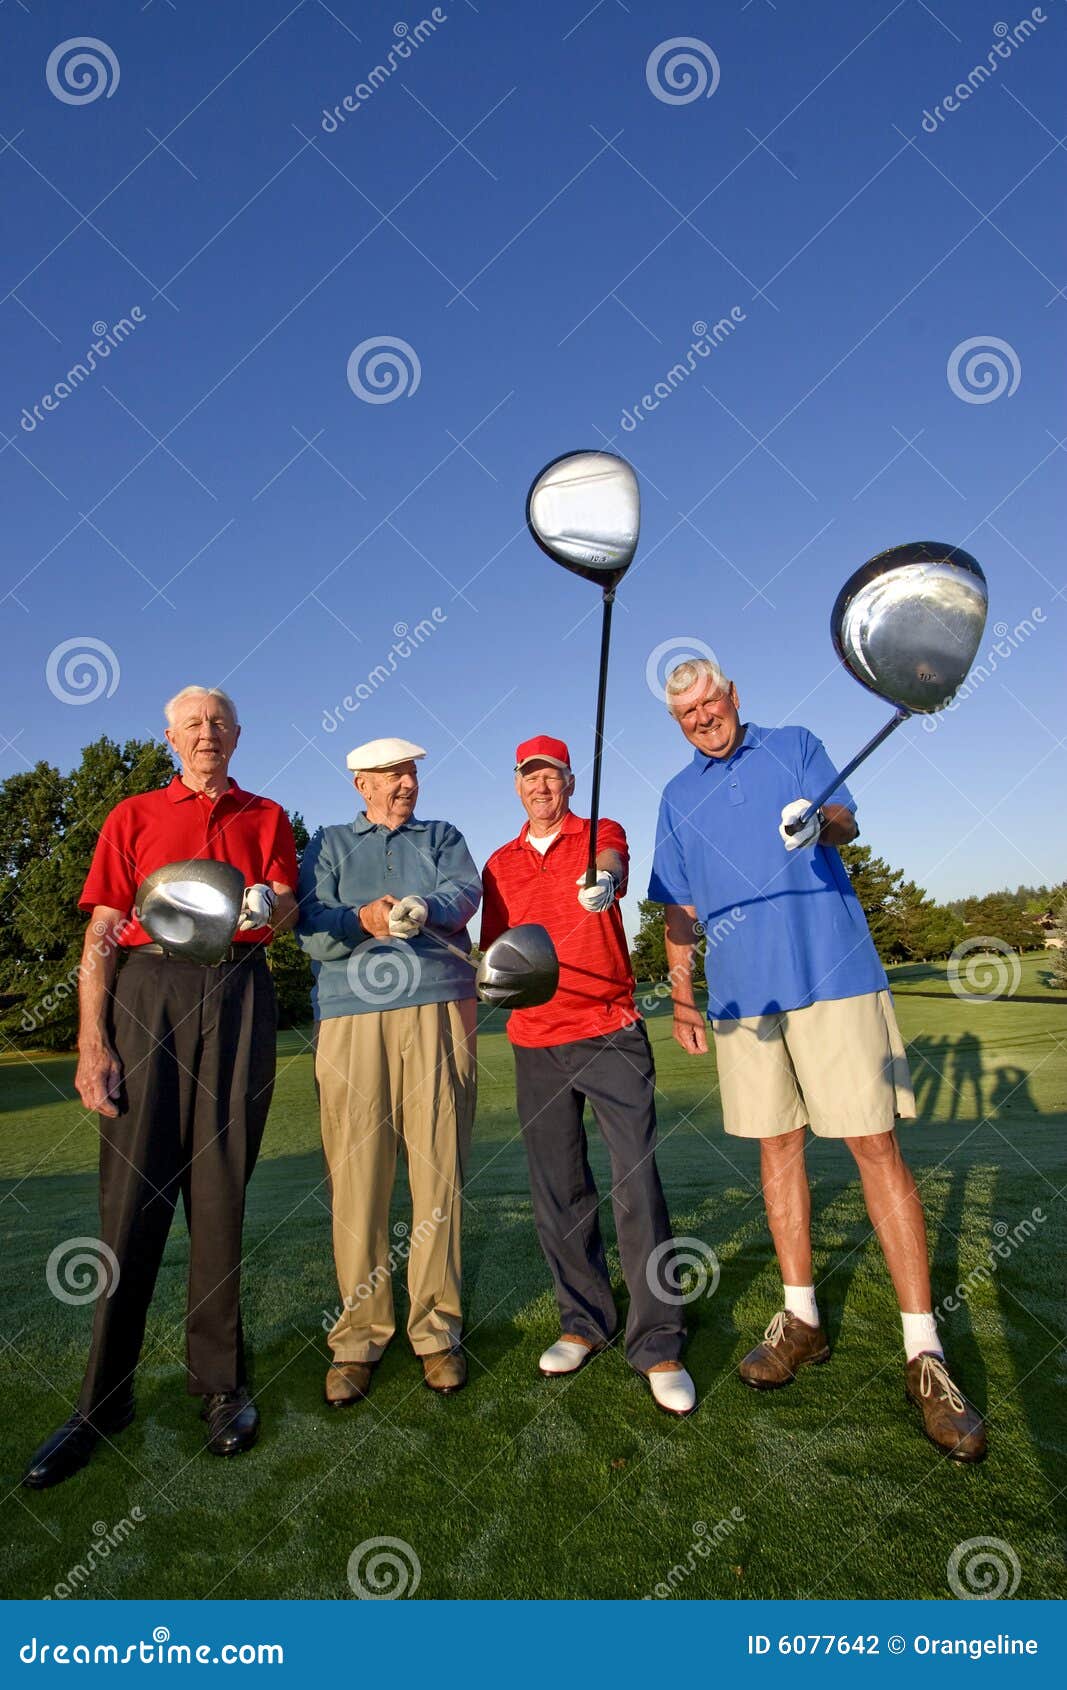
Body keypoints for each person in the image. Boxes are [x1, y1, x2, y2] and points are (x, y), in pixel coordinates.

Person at [648, 657, 985, 1460]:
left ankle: (923, 1349)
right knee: (776, 1148)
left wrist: (817, 823)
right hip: (742, 1000)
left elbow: (844, 822)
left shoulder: (793, 744)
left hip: (835, 977)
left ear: (733, 695)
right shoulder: (676, 796)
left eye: (710, 701)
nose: (702, 717)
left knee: (873, 1143)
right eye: (686, 712)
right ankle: (800, 1319)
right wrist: (683, 995)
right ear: (676, 723)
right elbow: (680, 909)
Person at [23, 687, 299, 1489]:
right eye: (193, 724)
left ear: (237, 735)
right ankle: (101, 1402)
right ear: (172, 738)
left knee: (219, 1197)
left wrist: (273, 904)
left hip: (238, 990)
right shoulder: (133, 815)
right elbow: (101, 932)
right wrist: (92, 1042)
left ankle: (220, 1387)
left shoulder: (266, 816)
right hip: (148, 995)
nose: (207, 734)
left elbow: (283, 909)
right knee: (130, 1207)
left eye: (219, 723)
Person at [481, 735, 696, 1417]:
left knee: (636, 1184)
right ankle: (583, 1322)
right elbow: (497, 955)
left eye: (551, 776)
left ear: (569, 782)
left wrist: (603, 881)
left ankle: (658, 1343)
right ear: (517, 785)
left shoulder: (600, 832)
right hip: (535, 1042)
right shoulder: (499, 863)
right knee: (559, 1189)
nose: (540, 787)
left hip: (609, 1032)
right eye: (529, 776)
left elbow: (614, 862)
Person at [298, 738, 479, 1404]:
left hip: (433, 1006)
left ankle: (437, 1332)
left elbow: (465, 892)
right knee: (357, 1179)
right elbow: (310, 926)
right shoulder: (326, 844)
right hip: (349, 1016)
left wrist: (426, 909)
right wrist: (363, 919)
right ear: (361, 785)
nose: (405, 784)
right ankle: (358, 1338)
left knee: (438, 1172)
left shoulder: (442, 836)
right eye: (391, 775)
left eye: (410, 773)